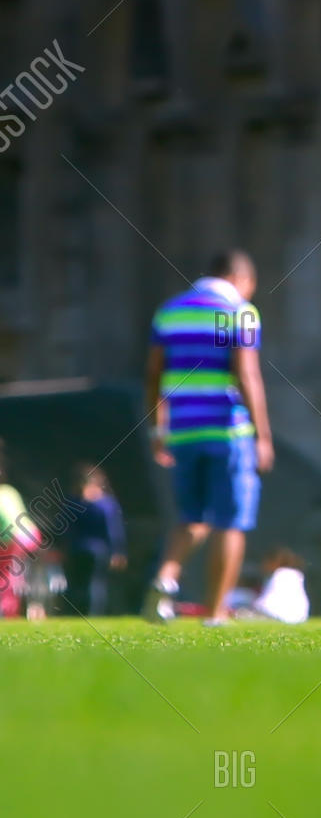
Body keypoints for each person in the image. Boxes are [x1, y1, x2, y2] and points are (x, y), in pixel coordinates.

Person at [140, 249, 274, 626]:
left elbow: (153, 375)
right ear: (242, 279)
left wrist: (157, 429)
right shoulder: (239, 312)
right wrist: (263, 435)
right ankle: (215, 613)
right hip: (227, 428)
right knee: (230, 521)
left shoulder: (169, 311)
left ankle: (165, 578)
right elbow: (246, 373)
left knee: (190, 516)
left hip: (182, 429)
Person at [60, 463, 127, 617]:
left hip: (77, 548)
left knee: (77, 582)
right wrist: (118, 551)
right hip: (99, 549)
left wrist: (64, 547)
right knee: (96, 583)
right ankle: (92, 613)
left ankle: (76, 612)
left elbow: (66, 528)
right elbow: (113, 529)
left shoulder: (73, 502)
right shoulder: (106, 504)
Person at [0, 439, 43, 619]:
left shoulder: (6, 492)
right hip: (28, 535)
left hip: (12, 538)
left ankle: (8, 610)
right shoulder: (8, 491)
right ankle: (19, 609)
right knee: (14, 575)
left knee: (7, 576)